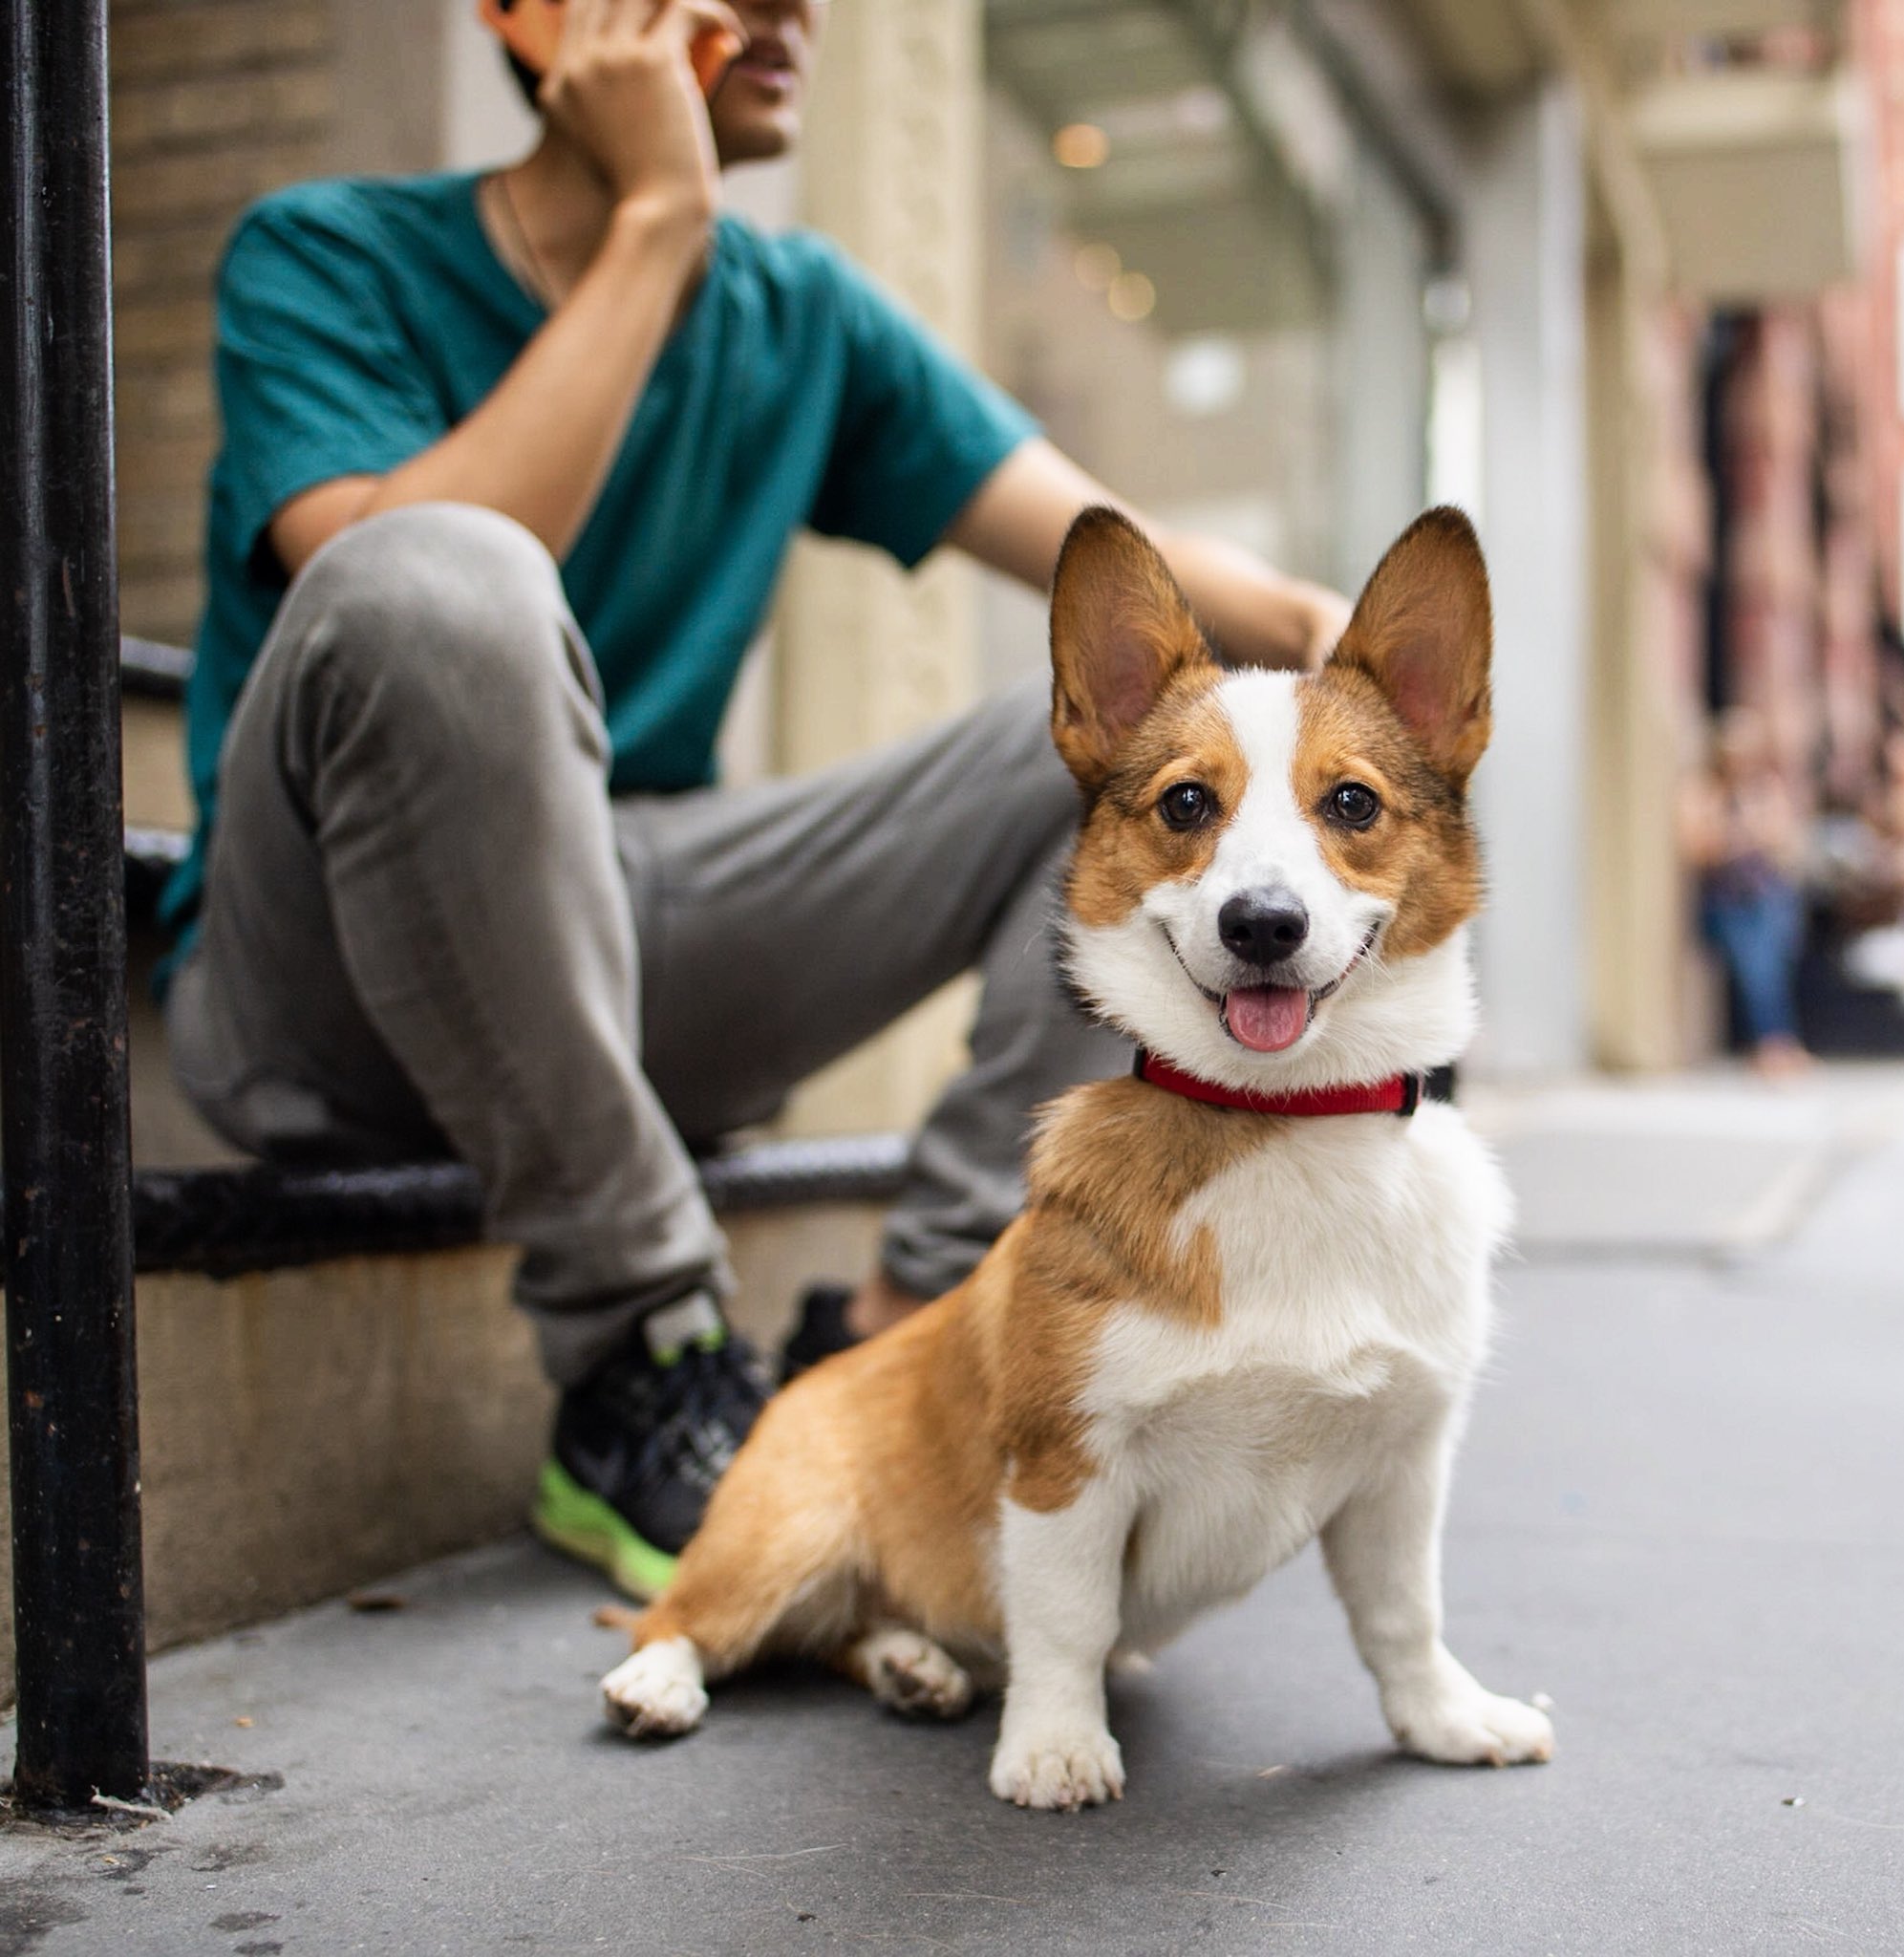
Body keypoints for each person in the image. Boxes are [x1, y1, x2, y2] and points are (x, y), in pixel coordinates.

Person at [160, 0, 1352, 1597]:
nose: (796, 11)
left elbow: (1107, 546)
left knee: (1119, 753)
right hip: (321, 989)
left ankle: (907, 1341)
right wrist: (658, 220)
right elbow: (395, 605)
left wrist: (1318, 630)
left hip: (626, 943)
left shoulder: (798, 317)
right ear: (536, 21)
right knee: (434, 579)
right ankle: (645, 1341)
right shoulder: (323, 257)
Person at [1679, 708, 1812, 1078]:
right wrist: (1742, 836)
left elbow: (1784, 841)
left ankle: (1775, 1042)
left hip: (1765, 894)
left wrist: (1748, 835)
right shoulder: (1704, 792)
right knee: (1758, 959)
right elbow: (1698, 847)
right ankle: (1775, 1044)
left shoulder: (1765, 789)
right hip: (1724, 901)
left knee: (1770, 952)